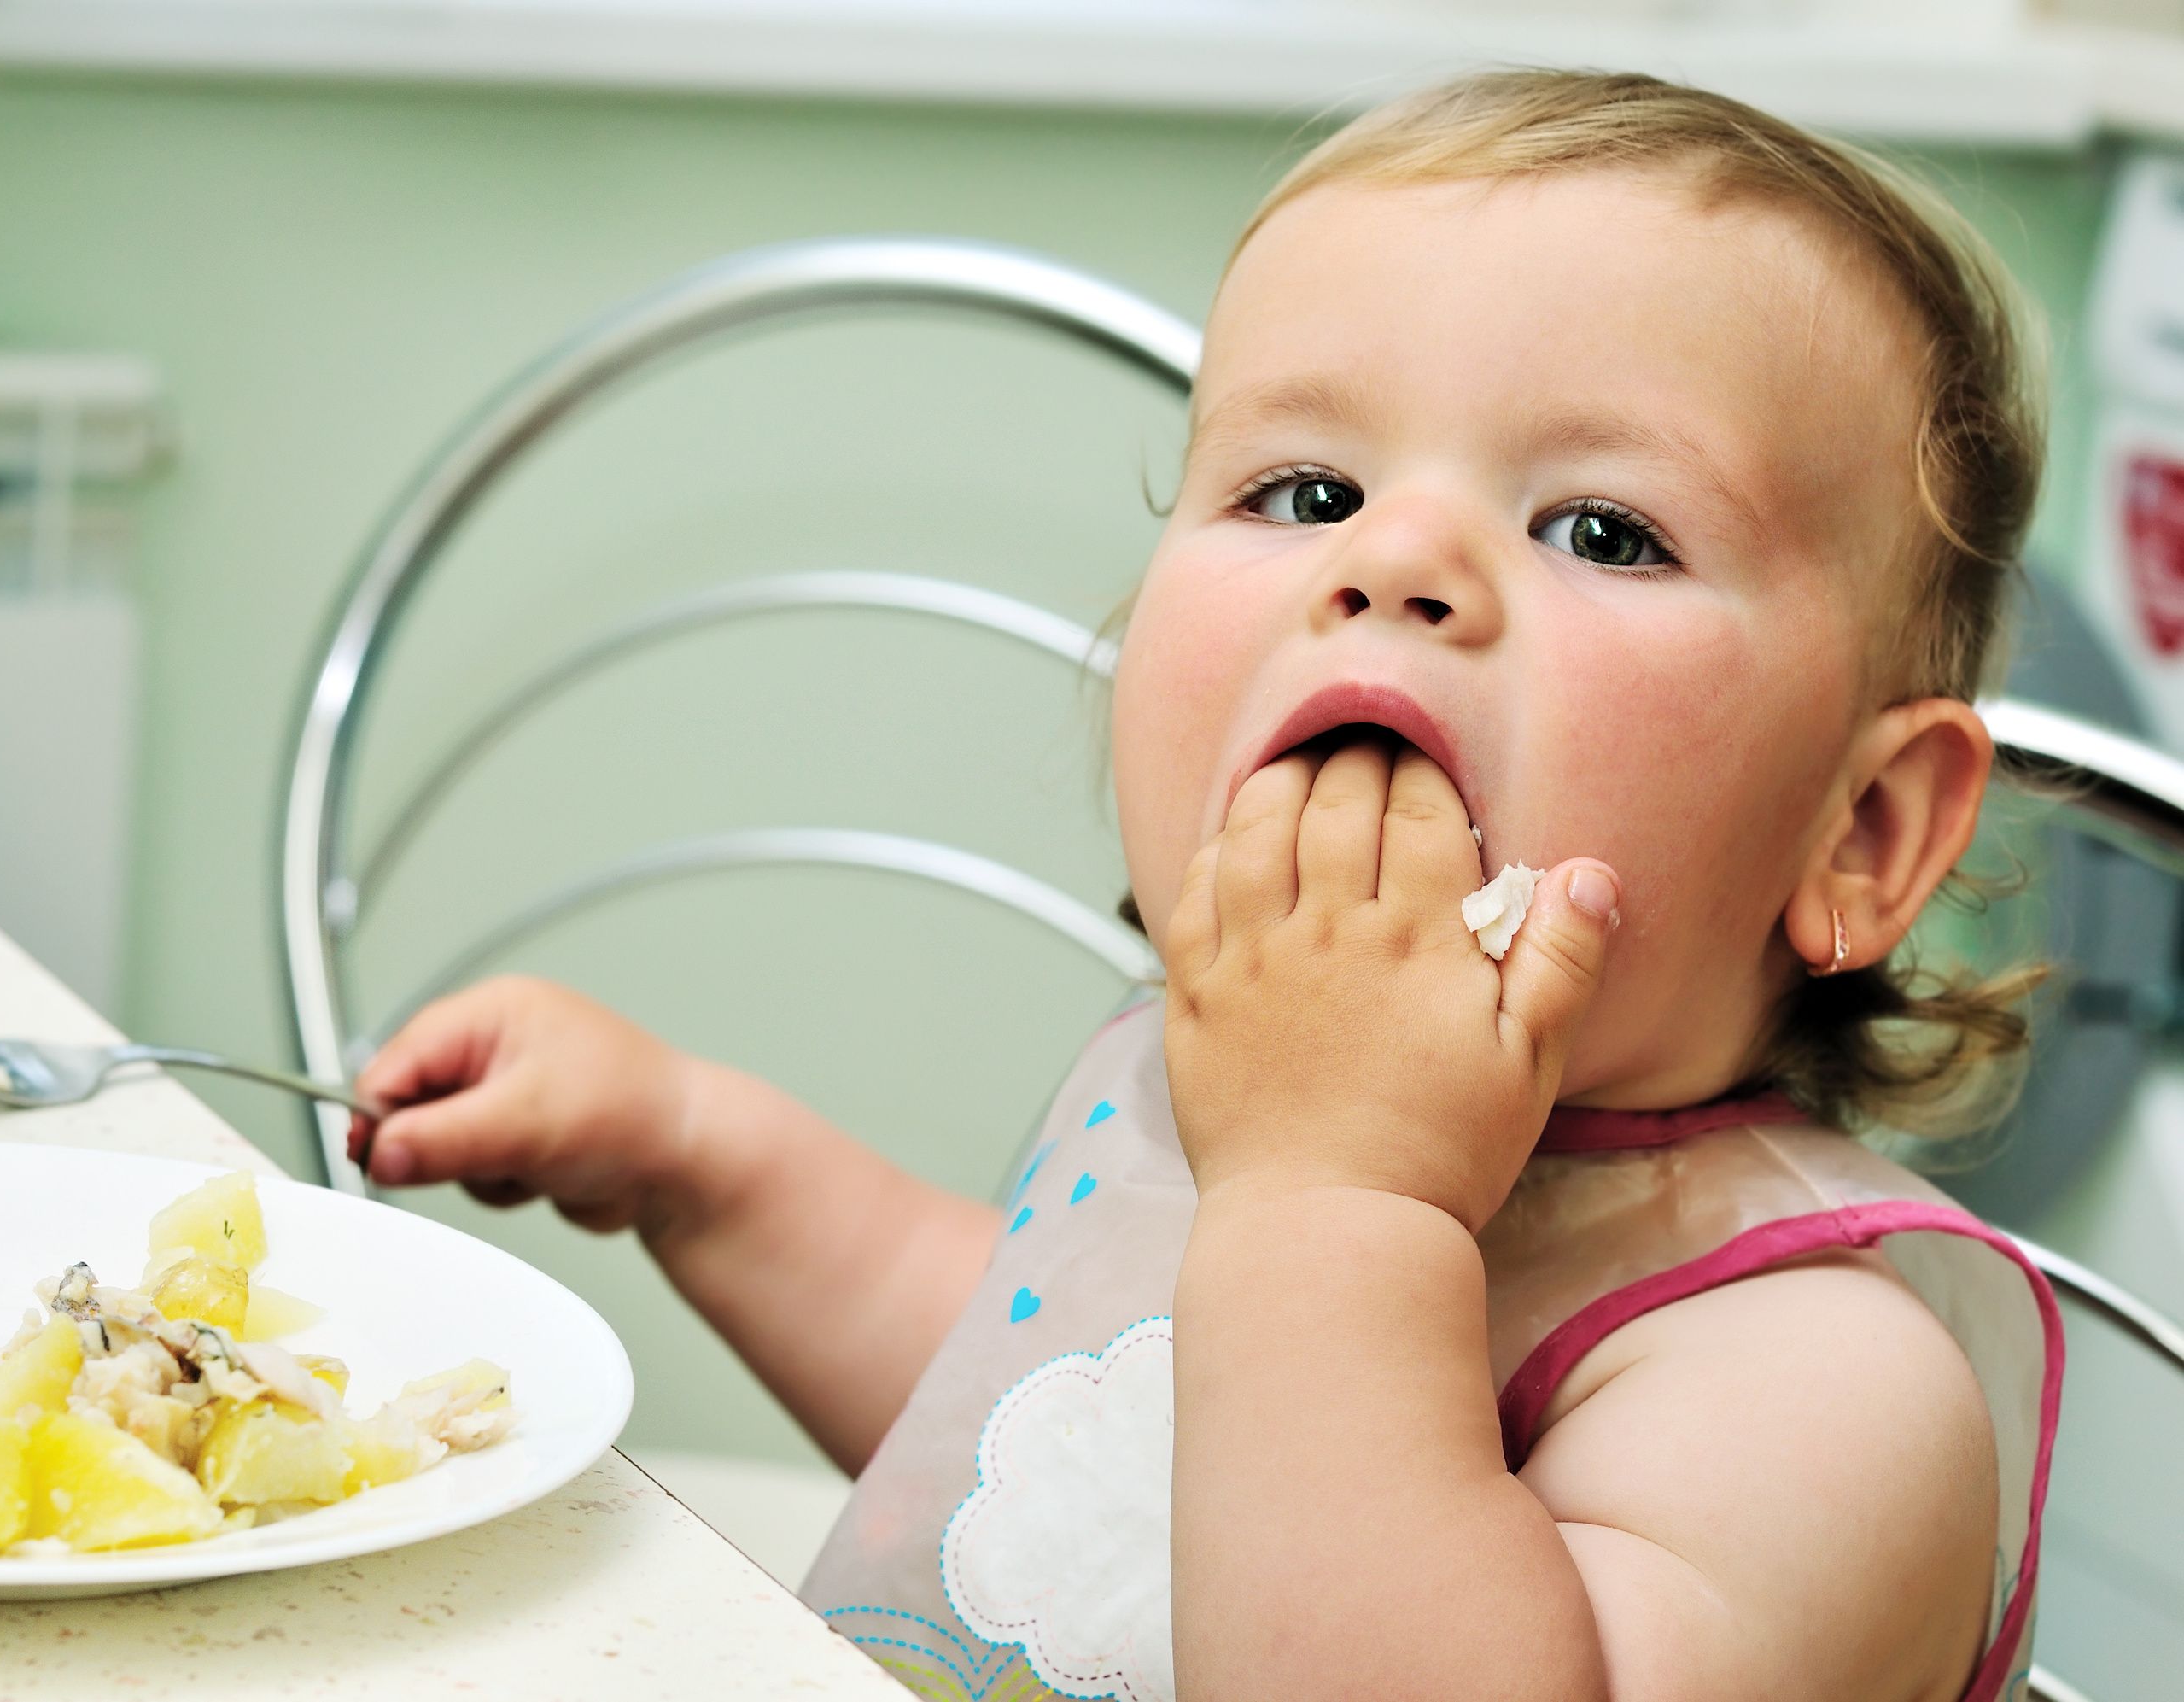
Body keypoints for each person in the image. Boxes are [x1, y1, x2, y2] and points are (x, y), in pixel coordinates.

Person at [350, 69, 2062, 1701]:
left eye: (1604, 529)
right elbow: (1032, 1436)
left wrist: (1337, 1199)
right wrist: (700, 1157)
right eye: (1304, 490)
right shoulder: (1206, 1079)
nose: (1388, 558)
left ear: (1862, 835)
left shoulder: (1821, 1387)